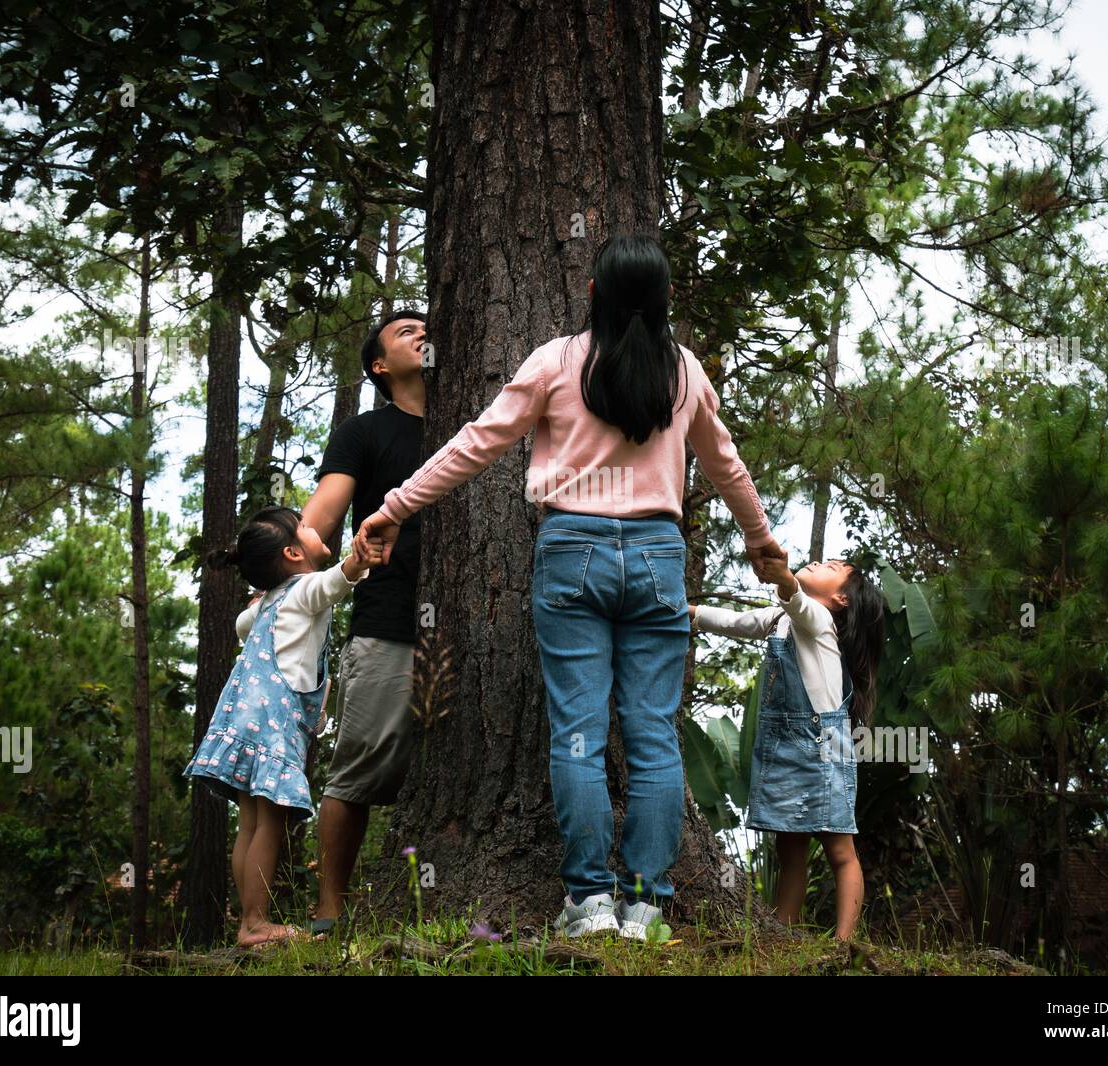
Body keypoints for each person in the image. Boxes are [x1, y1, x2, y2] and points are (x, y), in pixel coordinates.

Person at [358, 234, 787, 940]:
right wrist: (761, 539)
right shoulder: (684, 373)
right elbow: (727, 465)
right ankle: (645, 906)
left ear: (593, 294)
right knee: (653, 736)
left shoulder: (557, 360)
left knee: (580, 735)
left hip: (573, 551)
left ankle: (588, 904)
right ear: (665, 300)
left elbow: (476, 442)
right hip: (655, 555)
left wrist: (394, 505)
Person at [184, 506, 382, 948]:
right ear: (293, 553)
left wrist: (260, 599)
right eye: (307, 528)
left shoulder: (268, 602)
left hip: (242, 716)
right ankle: (255, 923)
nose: (316, 526)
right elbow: (338, 580)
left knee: (250, 824)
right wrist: (360, 557)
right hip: (273, 723)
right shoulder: (305, 589)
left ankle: (247, 920)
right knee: (270, 821)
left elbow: (240, 625)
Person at [299, 310, 428, 938]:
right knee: (357, 770)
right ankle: (330, 911)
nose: (423, 333)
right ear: (379, 366)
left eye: (428, 326)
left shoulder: (476, 425)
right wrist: (303, 554)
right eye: (406, 332)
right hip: (389, 623)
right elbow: (319, 516)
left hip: (484, 625)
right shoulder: (363, 432)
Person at [689, 556, 884, 940]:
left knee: (840, 851)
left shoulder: (819, 621)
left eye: (830, 566)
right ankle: (783, 934)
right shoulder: (782, 618)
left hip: (823, 751)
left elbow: (796, 599)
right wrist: (689, 612)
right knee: (789, 851)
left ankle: (844, 943)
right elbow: (735, 622)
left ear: (842, 599)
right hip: (783, 750)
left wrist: (780, 572)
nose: (816, 562)